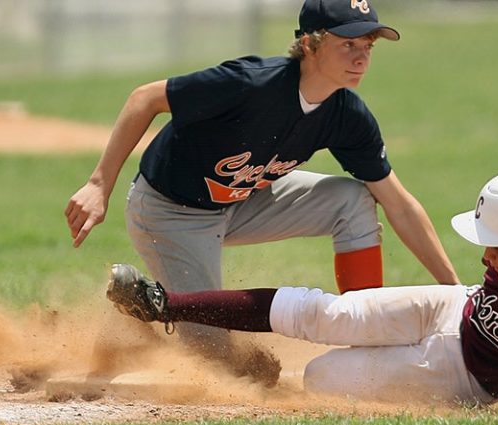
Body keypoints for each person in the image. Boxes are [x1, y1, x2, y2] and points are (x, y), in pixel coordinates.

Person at [64, 0, 459, 385]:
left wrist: (455, 292)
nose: (361, 58)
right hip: (171, 212)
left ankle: (367, 330)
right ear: (310, 44)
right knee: (217, 361)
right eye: (348, 44)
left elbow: (399, 204)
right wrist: (99, 184)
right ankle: (136, 318)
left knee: (352, 199)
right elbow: (145, 98)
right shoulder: (250, 83)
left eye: (367, 47)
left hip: (243, 199)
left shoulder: (346, 116)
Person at [106, 170, 498, 411]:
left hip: (465, 376)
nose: (486, 254)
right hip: (454, 306)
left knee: (323, 376)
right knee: (327, 314)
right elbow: (488, 274)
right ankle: (162, 304)